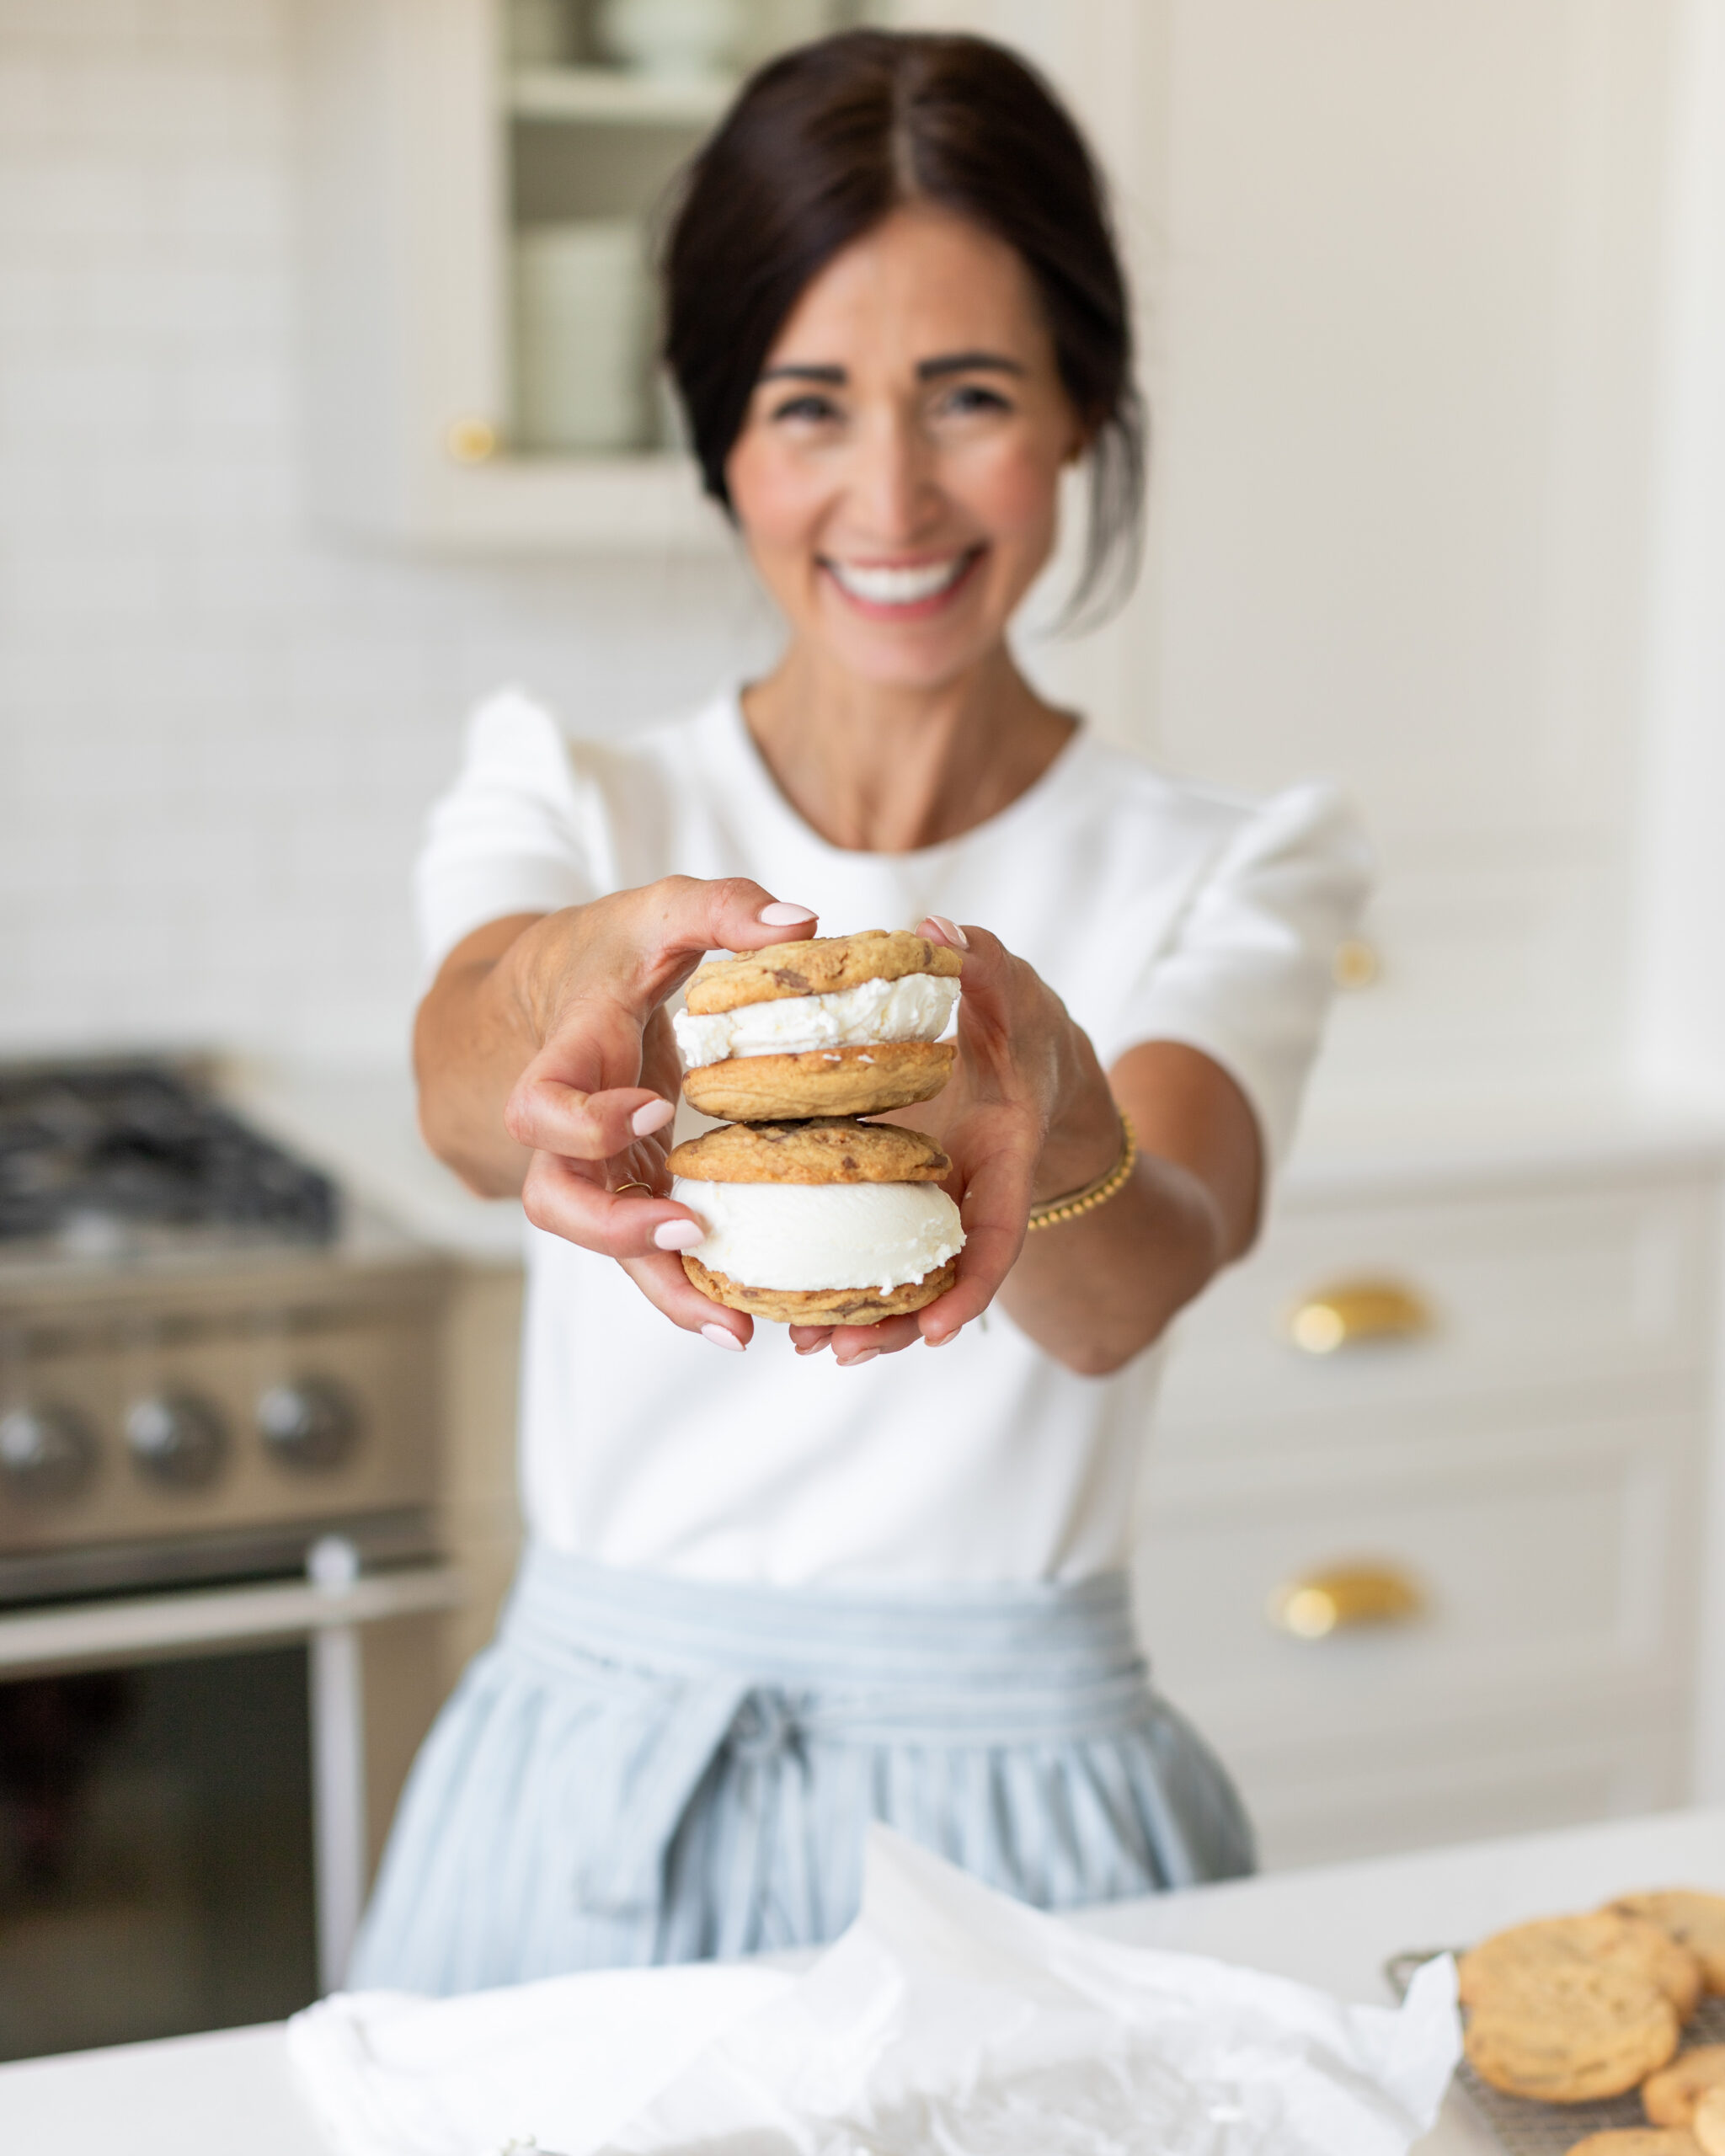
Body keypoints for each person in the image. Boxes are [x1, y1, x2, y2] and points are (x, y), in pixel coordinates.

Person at [350, 28, 1370, 1994]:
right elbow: (461, 1082)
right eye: (808, 406)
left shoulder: (1230, 864)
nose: (889, 492)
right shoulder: (576, 799)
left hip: (1024, 1837)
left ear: (1079, 412)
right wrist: (573, 977)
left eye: (968, 395)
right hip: (585, 1803)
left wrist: (1055, 1097)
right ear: (724, 435)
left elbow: (1133, 1279)